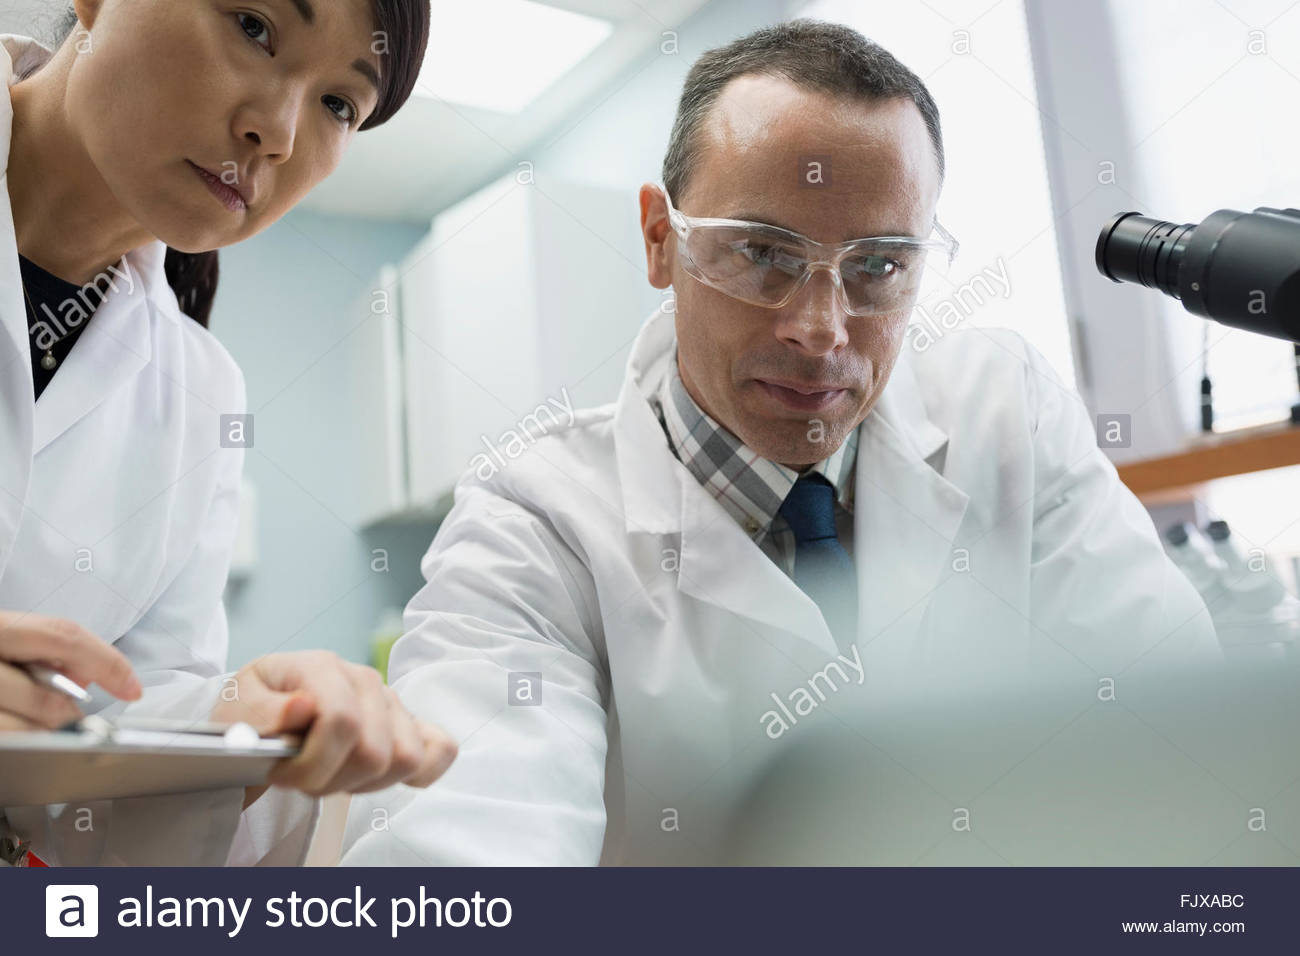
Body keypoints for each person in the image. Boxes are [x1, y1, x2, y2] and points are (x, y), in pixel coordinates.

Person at [339, 19, 1220, 866]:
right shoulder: (533, 525)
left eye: (879, 265)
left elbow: (1181, 745)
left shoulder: (1007, 412)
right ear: (660, 240)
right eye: (764, 252)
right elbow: (466, 852)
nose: (821, 329)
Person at [0, 0, 455, 866]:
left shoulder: (204, 394)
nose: (277, 133)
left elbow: (108, 737)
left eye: (338, 105)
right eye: (253, 26)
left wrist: (240, 717)